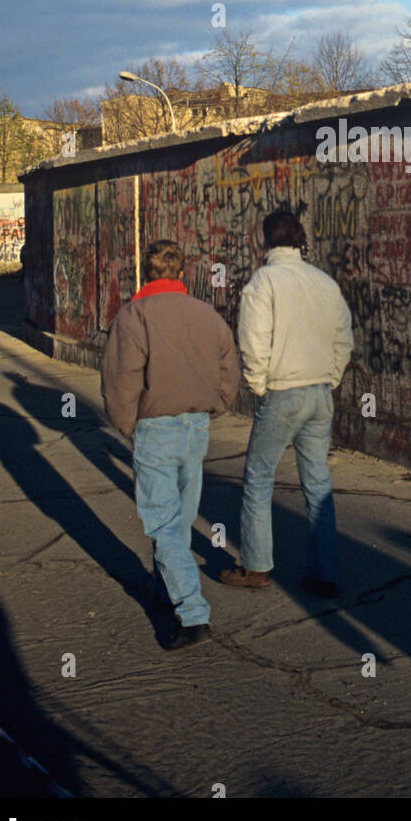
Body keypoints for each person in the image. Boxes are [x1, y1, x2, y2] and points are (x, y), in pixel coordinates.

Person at [100, 239, 240, 651]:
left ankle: (193, 615)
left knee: (164, 524)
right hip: (195, 427)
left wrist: (128, 424)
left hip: (155, 427)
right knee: (178, 520)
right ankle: (167, 592)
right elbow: (229, 365)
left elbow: (121, 377)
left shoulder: (133, 316)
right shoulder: (206, 314)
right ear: (182, 273)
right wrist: (214, 407)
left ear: (146, 272)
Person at [221, 209, 354, 598]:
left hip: (282, 392)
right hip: (319, 393)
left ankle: (257, 566)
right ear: (299, 239)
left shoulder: (264, 281)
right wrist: (331, 376)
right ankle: (323, 572)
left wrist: (258, 385)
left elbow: (253, 340)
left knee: (259, 479)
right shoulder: (324, 282)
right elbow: (343, 336)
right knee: (317, 484)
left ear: (266, 240)